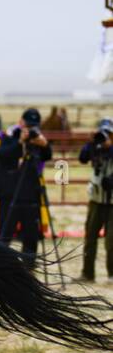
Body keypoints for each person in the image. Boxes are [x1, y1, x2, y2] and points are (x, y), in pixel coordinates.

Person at [0, 107, 52, 269]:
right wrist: (20, 143)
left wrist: (44, 144)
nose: (31, 129)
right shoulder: (10, 136)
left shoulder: (37, 141)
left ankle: (29, 269)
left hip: (30, 196)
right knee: (4, 237)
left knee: (31, 237)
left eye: (34, 126)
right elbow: (1, 154)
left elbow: (48, 155)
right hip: (9, 196)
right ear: (21, 123)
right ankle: (0, 270)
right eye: (28, 125)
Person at [78, 117, 113, 282]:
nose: (104, 137)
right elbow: (83, 158)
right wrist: (91, 142)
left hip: (112, 202)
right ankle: (87, 273)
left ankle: (112, 274)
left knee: (111, 240)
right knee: (90, 237)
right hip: (96, 199)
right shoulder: (95, 147)